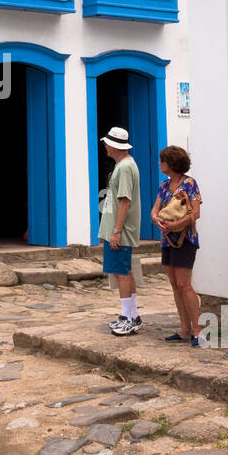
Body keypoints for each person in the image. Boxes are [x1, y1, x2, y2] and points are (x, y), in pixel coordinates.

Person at [151, 146, 203, 346]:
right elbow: (155, 209)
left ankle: (197, 329)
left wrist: (175, 225)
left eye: (162, 160)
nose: (159, 164)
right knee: (174, 285)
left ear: (171, 163)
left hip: (185, 239)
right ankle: (184, 329)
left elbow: (195, 213)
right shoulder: (164, 186)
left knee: (184, 284)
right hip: (167, 240)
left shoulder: (190, 184)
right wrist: (157, 219)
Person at [99, 127, 143, 336]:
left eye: (107, 143)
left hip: (120, 230)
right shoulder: (125, 165)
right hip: (119, 229)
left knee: (121, 273)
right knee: (125, 270)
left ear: (114, 146)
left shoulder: (124, 167)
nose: (105, 147)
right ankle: (132, 315)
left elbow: (125, 200)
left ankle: (127, 318)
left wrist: (116, 230)